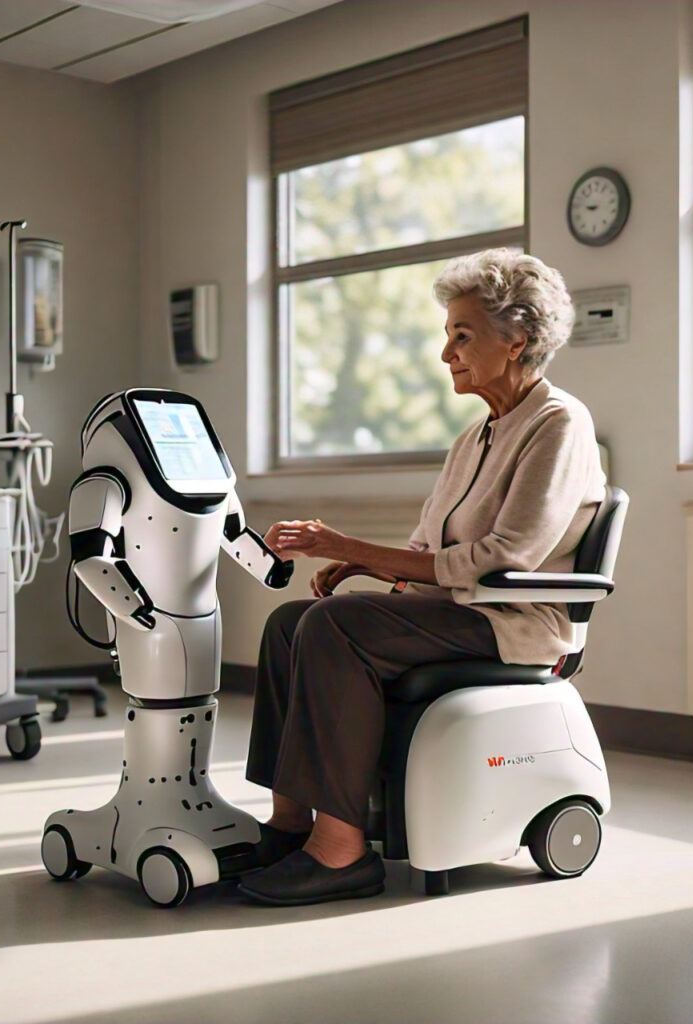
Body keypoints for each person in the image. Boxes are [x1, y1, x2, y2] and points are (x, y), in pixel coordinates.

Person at [238, 248, 607, 906]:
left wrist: (348, 544)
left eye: (463, 336)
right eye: (448, 336)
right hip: (462, 612)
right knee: (290, 623)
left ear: (516, 339)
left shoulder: (559, 424)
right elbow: (427, 545)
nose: (447, 354)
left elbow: (504, 559)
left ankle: (341, 850)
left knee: (335, 626)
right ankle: (289, 824)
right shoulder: (475, 437)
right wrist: (363, 562)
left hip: (514, 623)